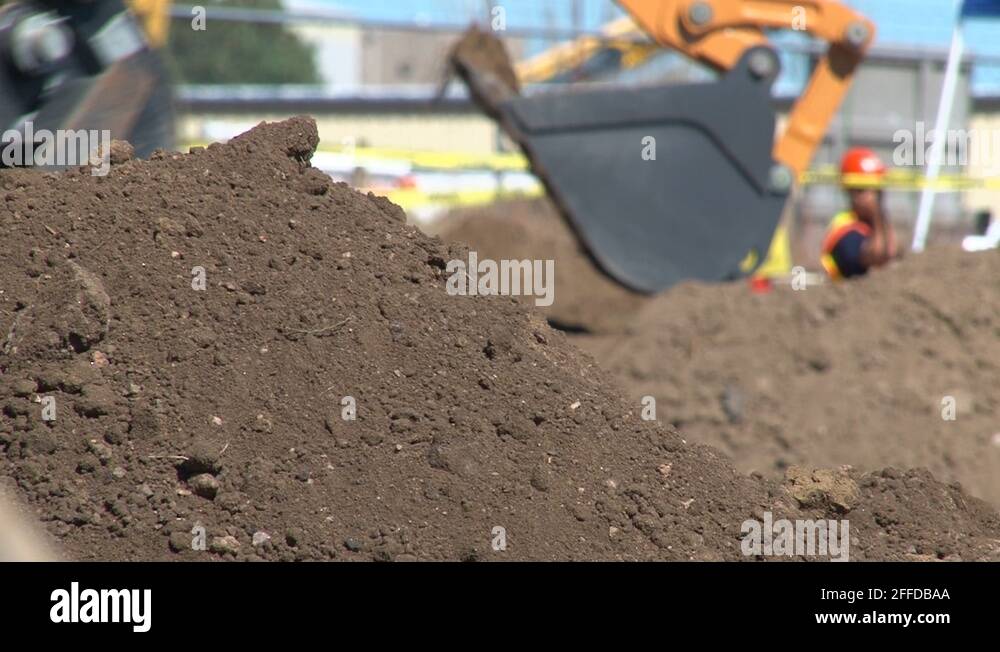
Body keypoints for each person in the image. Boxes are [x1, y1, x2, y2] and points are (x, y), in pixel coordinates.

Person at [820, 148, 899, 280]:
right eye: (869, 191)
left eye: (878, 191)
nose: (876, 198)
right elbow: (878, 256)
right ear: (853, 193)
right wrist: (876, 215)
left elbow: (895, 251)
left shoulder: (870, 225)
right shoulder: (846, 230)